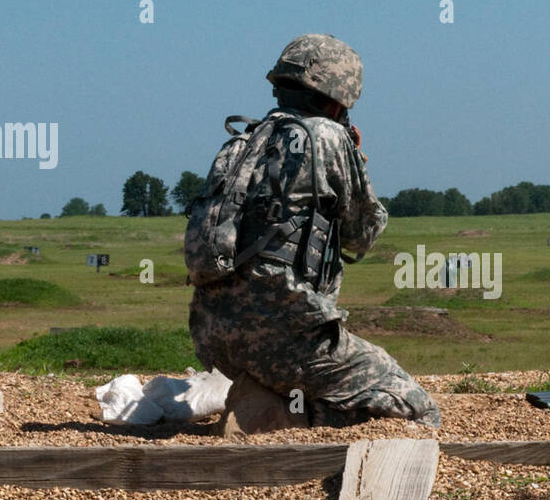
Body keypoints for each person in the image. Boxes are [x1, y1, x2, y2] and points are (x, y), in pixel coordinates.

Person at [187, 33, 441, 429]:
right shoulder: (328, 136)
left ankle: (264, 393)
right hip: (286, 335)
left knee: (302, 372)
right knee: (418, 409)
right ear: (338, 97)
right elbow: (361, 236)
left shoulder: (245, 138)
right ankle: (279, 415)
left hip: (215, 336)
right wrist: (355, 159)